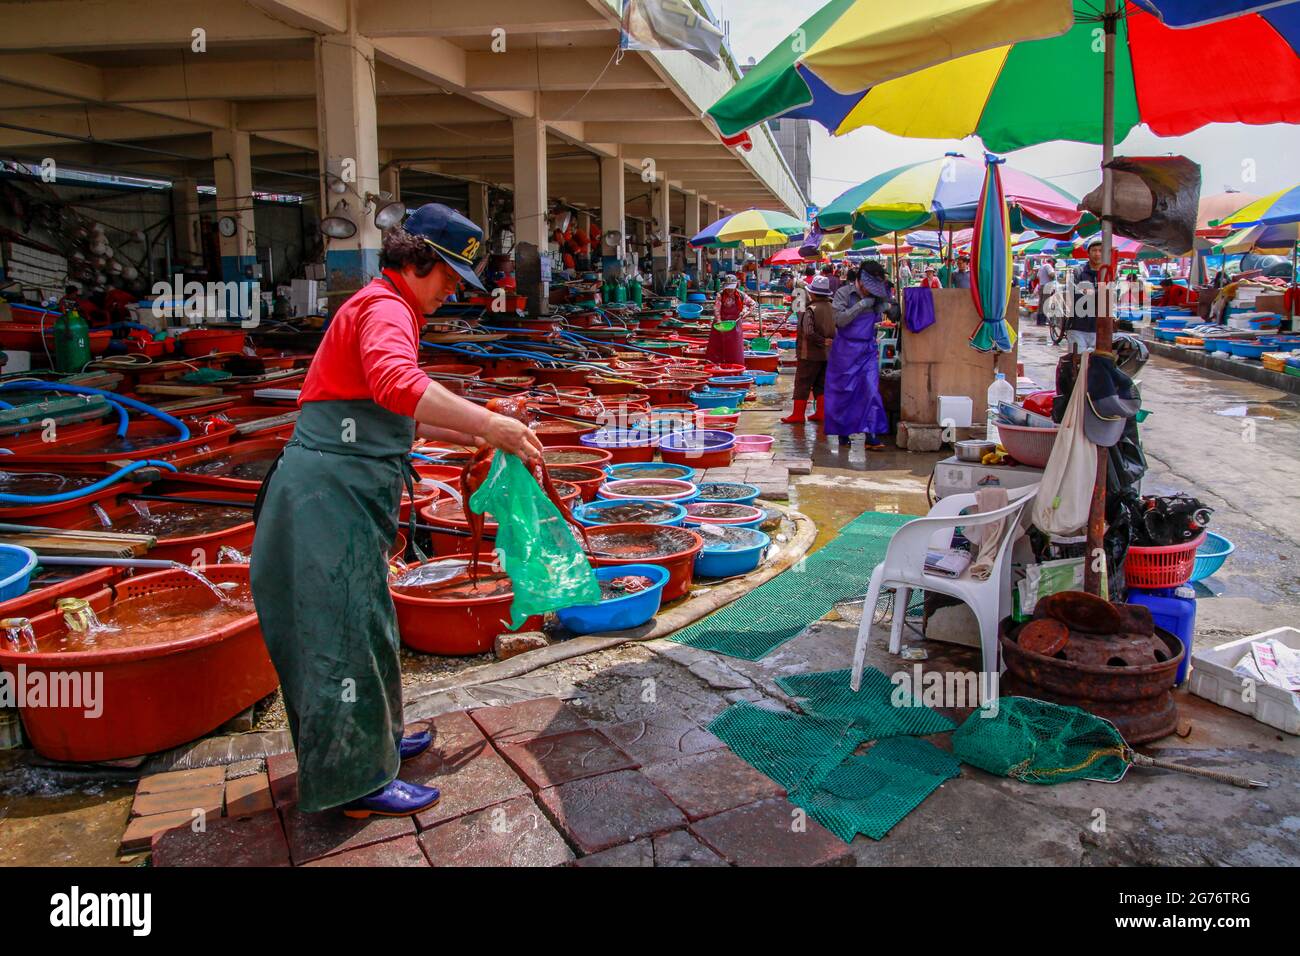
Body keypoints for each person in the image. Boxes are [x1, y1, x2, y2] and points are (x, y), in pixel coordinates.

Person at [251, 204, 543, 819]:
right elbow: (391, 381)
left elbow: (375, 403)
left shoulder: (385, 306)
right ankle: (354, 784)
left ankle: (377, 741)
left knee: (368, 618)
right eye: (448, 279)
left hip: (343, 485)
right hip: (327, 494)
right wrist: (492, 421)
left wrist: (466, 436)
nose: (450, 294)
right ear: (418, 261)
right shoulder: (385, 308)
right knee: (340, 633)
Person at [825, 260, 892, 451]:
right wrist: (861, 305)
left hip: (867, 351)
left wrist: (887, 307)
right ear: (861, 280)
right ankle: (843, 433)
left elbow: (894, 312)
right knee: (843, 394)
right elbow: (839, 320)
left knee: (870, 390)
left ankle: (872, 435)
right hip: (844, 352)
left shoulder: (877, 296)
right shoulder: (843, 294)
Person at [781, 274, 836, 424]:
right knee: (821, 384)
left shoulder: (811, 309)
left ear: (812, 293)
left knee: (802, 383)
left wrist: (822, 341)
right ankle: (821, 413)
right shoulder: (832, 307)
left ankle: (798, 415)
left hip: (808, 353)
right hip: (826, 355)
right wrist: (827, 342)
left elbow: (808, 332)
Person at [1066, 238, 1106, 353]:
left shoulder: (1108, 273)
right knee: (1076, 363)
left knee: (1097, 365)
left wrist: (1090, 293)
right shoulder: (1078, 271)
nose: (1097, 254)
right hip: (1078, 327)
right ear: (1088, 253)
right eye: (1094, 250)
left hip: (1100, 329)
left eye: (1100, 250)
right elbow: (1075, 295)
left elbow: (1110, 297)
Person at [707, 274, 753, 366]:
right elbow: (717, 309)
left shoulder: (741, 295)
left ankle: (735, 367)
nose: (729, 290)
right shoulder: (720, 295)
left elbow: (752, 304)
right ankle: (716, 366)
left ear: (736, 285)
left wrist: (745, 312)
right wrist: (719, 321)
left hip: (734, 325)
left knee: (734, 348)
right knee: (717, 347)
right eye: (727, 288)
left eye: (731, 287)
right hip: (720, 324)